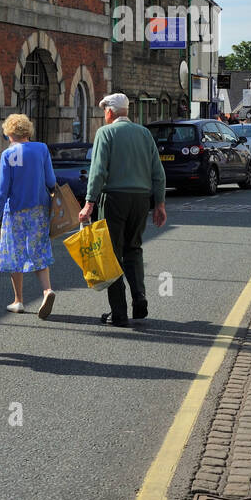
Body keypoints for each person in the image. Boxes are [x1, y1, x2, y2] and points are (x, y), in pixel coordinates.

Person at [78, 92, 167, 327]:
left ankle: (118, 312)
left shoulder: (105, 133)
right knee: (134, 249)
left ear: (110, 112)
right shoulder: (144, 133)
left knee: (112, 255)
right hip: (140, 200)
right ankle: (140, 298)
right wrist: (159, 203)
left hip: (114, 198)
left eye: (104, 111)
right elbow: (158, 172)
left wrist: (89, 203)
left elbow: (98, 171)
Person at [0, 113, 57, 319]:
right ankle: (47, 290)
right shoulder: (41, 149)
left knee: (14, 254)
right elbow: (51, 180)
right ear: (27, 131)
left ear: (10, 133)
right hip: (39, 209)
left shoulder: (8, 155)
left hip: (15, 211)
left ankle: (18, 300)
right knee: (38, 250)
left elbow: (2, 190)